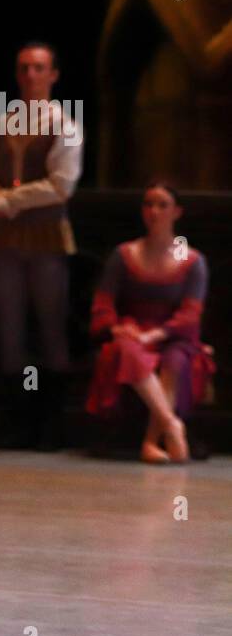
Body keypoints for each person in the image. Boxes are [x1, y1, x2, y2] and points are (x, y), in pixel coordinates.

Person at [0, 41, 83, 450]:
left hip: (45, 234)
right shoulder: (1, 121)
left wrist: (8, 200)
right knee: (9, 327)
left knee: (51, 322)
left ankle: (52, 422)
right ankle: (17, 419)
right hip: (7, 236)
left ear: (54, 74)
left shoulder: (64, 123)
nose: (30, 75)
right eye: (24, 67)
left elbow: (62, 184)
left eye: (39, 68)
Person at [86, 181, 215, 463]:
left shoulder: (191, 259)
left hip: (171, 335)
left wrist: (156, 334)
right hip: (133, 329)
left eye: (162, 205)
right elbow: (103, 303)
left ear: (177, 212)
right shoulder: (124, 254)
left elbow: (190, 314)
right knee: (129, 349)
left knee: (176, 361)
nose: (154, 211)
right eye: (148, 204)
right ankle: (170, 425)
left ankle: (151, 441)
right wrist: (116, 326)